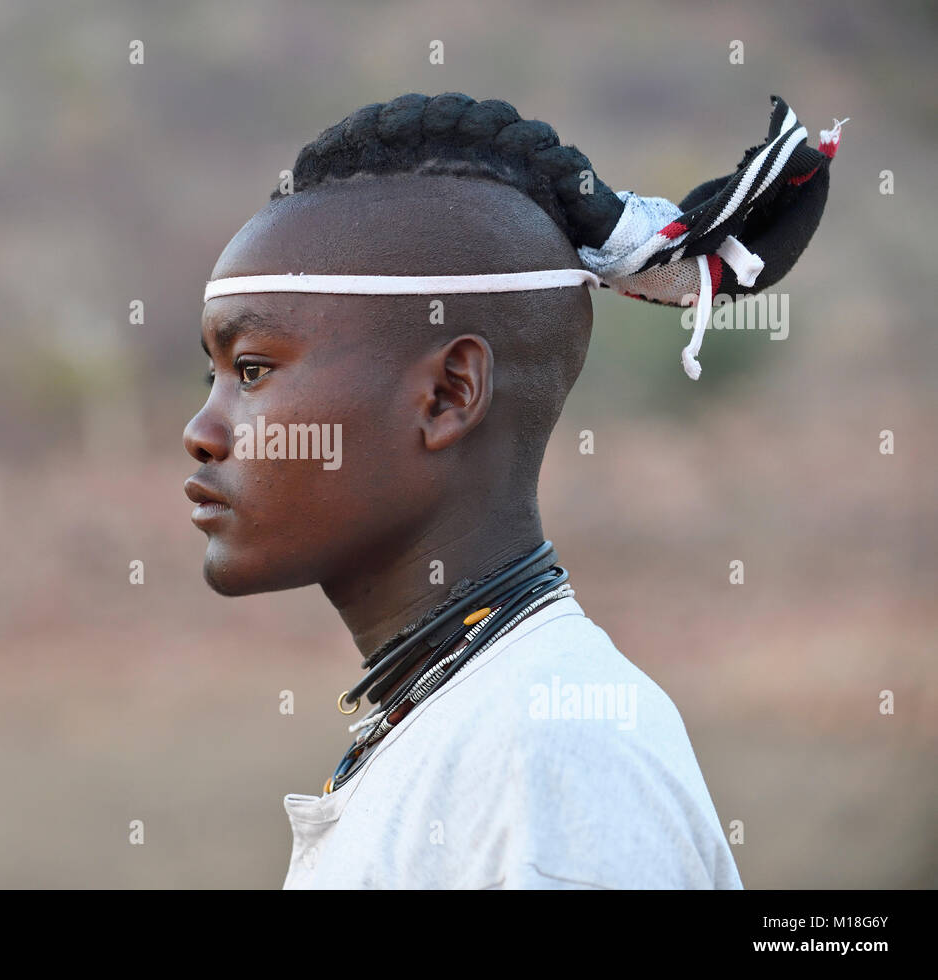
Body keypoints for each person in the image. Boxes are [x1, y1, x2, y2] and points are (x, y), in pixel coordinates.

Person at [183, 92, 841, 888]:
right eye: (214, 376)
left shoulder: (551, 752)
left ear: (449, 394)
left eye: (251, 370)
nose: (202, 431)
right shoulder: (466, 721)